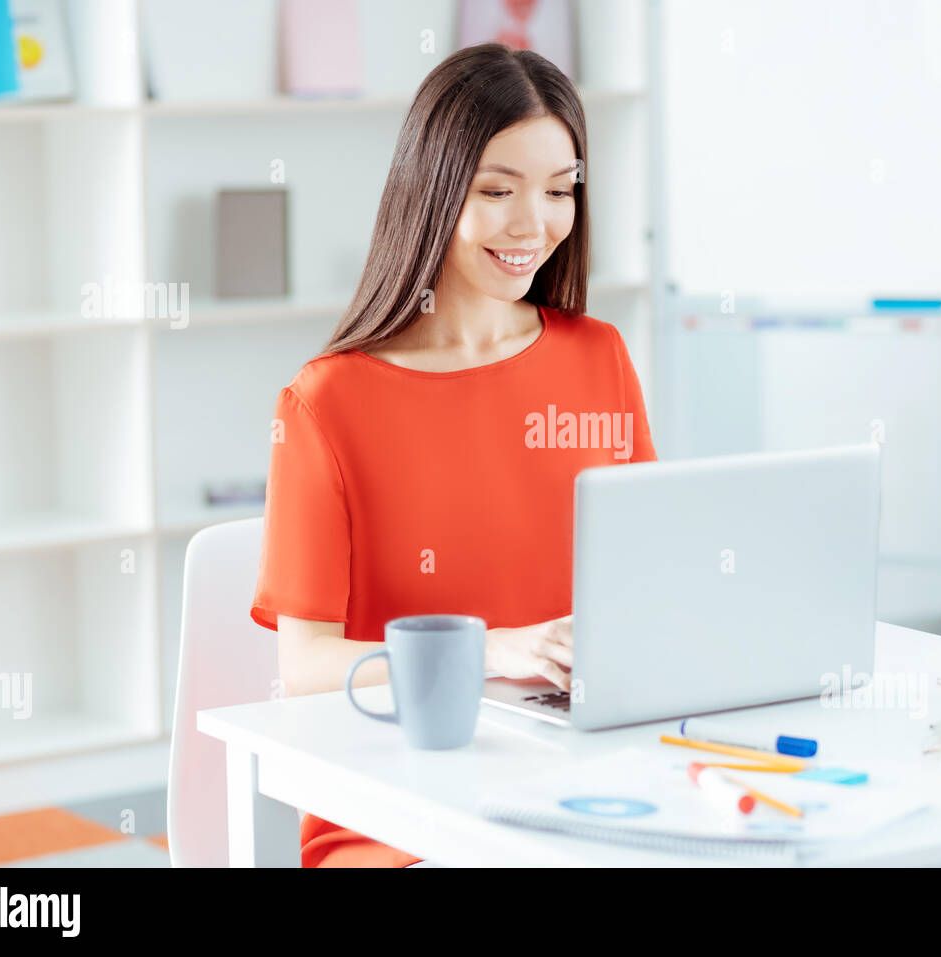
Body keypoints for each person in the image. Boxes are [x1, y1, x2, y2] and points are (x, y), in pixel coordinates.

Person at [249, 43, 656, 867]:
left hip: (581, 779)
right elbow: (303, 666)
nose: (532, 225)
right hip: (396, 812)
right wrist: (491, 649)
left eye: (559, 190)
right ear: (433, 190)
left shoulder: (600, 356)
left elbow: (650, 581)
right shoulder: (326, 403)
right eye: (497, 191)